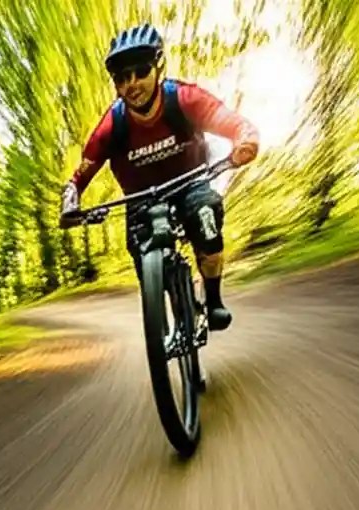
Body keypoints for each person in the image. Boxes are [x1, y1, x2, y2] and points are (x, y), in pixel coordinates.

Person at [60, 23, 259, 330]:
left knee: (206, 217)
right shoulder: (112, 125)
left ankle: (214, 299)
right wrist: (70, 204)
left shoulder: (184, 99)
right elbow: (79, 176)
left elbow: (231, 122)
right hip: (141, 198)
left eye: (141, 71)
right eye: (122, 77)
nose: (132, 83)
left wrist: (245, 139)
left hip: (191, 182)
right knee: (142, 255)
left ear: (158, 68)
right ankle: (173, 299)